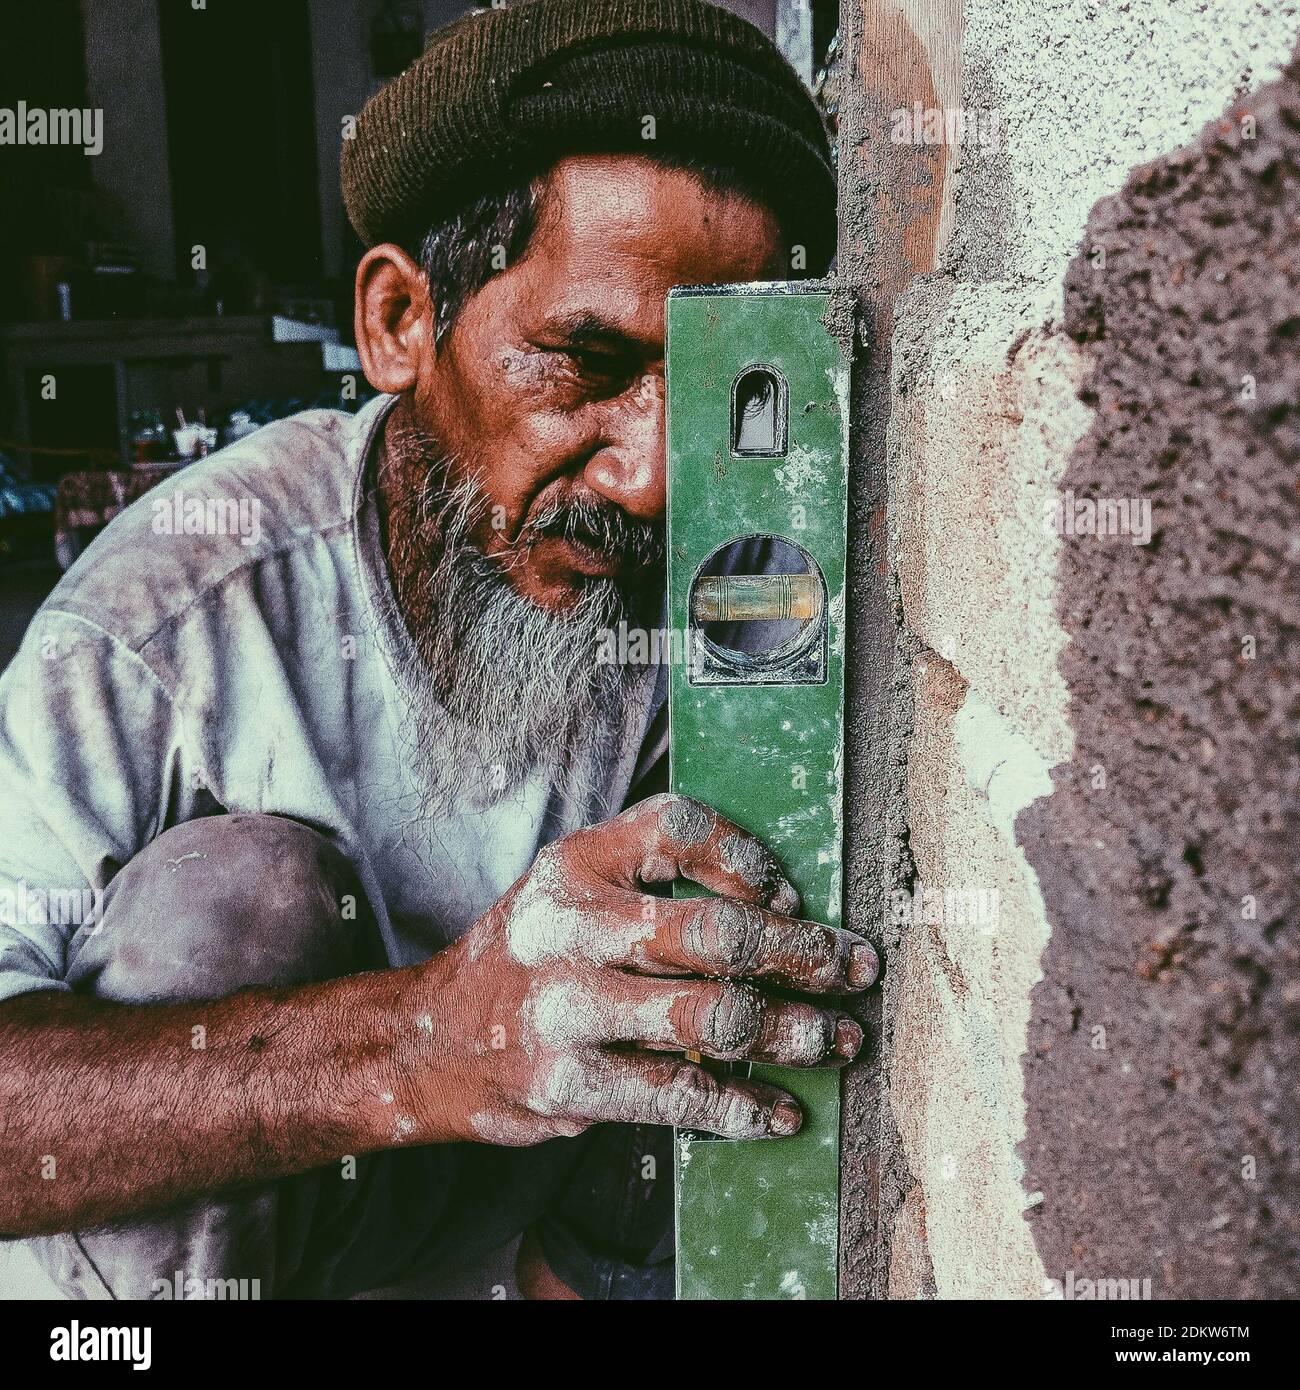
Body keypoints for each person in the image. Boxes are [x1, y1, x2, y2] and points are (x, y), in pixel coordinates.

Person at [0, 0, 872, 1300]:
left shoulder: (714, 579)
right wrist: (423, 1043)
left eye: (709, 386)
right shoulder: (169, 621)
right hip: (203, 1270)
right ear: (401, 320)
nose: (648, 478)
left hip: (501, 1263)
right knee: (238, 897)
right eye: (584, 362)